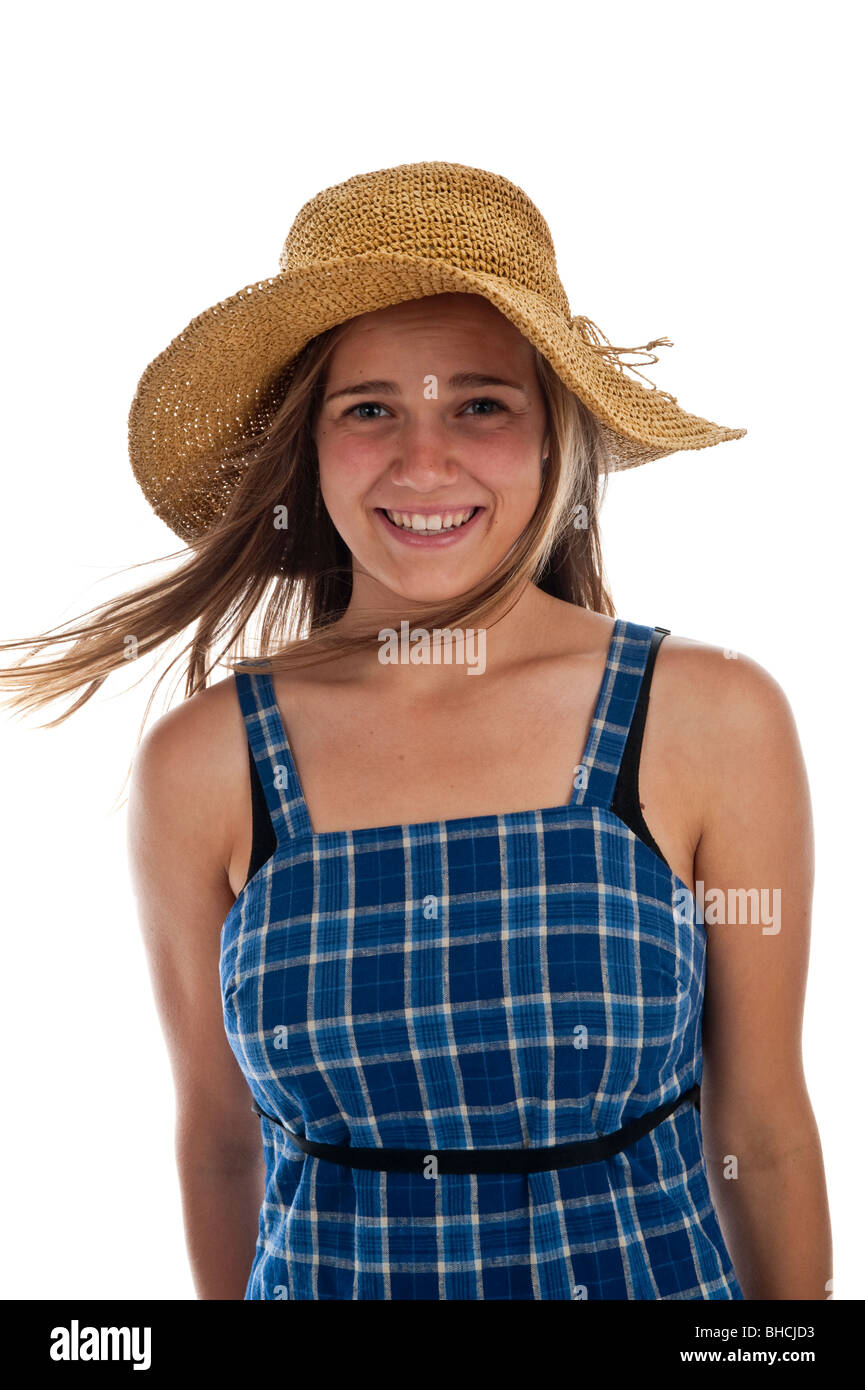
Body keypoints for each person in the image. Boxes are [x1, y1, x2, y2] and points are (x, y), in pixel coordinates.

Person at [0, 161, 831, 1300]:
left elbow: (764, 1122)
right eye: (370, 409)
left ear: (553, 437)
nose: (422, 459)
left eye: (478, 403)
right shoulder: (205, 762)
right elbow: (217, 1142)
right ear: (311, 444)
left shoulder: (706, 713)